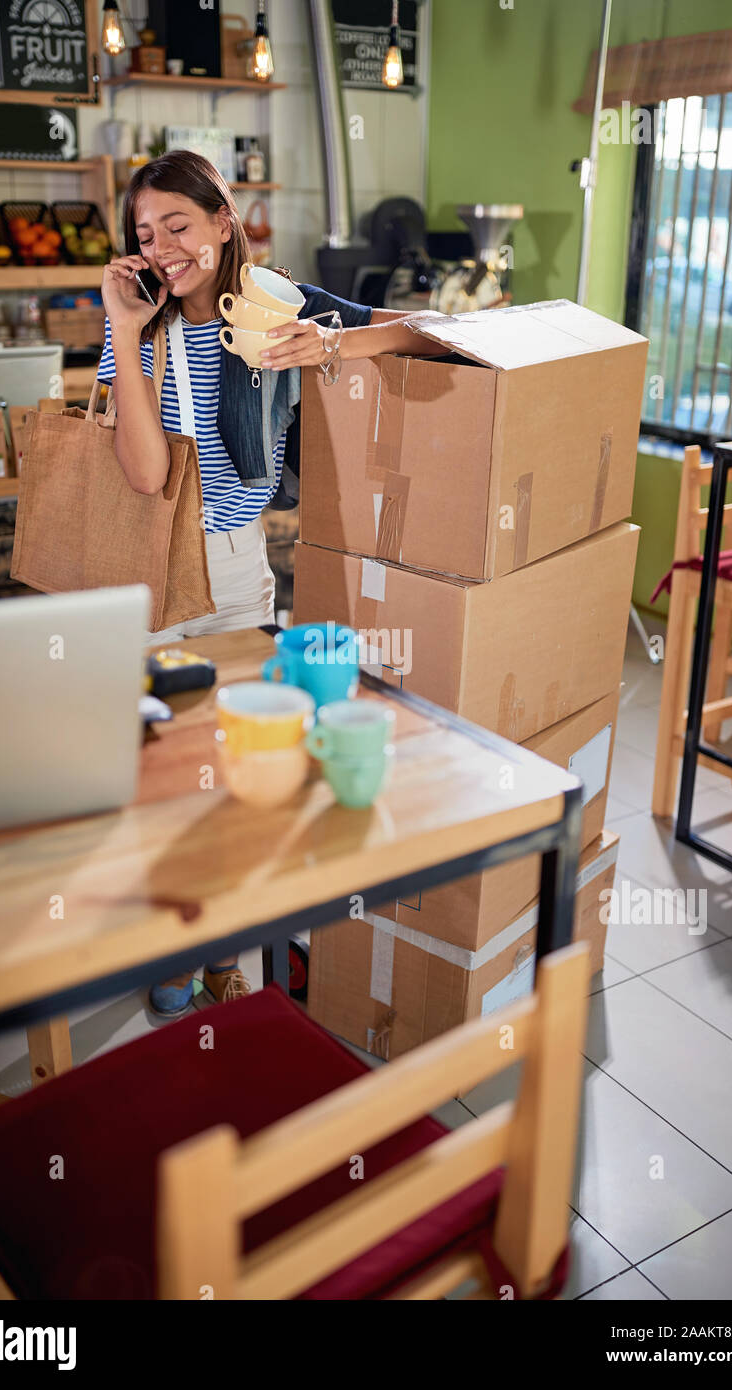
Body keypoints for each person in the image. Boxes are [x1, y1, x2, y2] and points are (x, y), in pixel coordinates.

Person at [98, 149, 448, 1017]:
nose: (163, 246)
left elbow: (427, 328)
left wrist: (331, 342)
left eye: (179, 223)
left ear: (225, 220)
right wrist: (125, 331)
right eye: (145, 233)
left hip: (239, 566)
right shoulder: (140, 327)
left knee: (237, 770)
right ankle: (169, 941)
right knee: (163, 775)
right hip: (144, 575)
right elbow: (143, 476)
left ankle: (220, 947)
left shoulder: (274, 303)